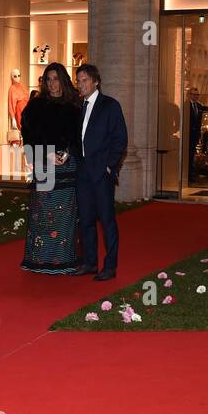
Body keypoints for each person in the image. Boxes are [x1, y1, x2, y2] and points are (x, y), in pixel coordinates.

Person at [19, 63, 82, 274]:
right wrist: (45, 154)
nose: (52, 83)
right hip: (44, 164)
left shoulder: (75, 106)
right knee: (43, 213)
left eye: (56, 79)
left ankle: (64, 260)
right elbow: (27, 134)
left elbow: (79, 138)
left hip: (67, 166)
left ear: (63, 80)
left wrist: (67, 154)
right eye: (49, 79)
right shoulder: (36, 107)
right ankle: (39, 260)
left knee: (66, 216)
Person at [74, 64, 127, 281]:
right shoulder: (80, 107)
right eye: (78, 80)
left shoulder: (110, 106)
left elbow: (120, 139)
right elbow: (78, 139)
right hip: (83, 172)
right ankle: (90, 262)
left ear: (96, 82)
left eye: (84, 80)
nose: (81, 84)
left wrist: (110, 165)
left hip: (101, 173)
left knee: (107, 221)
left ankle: (110, 266)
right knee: (85, 220)